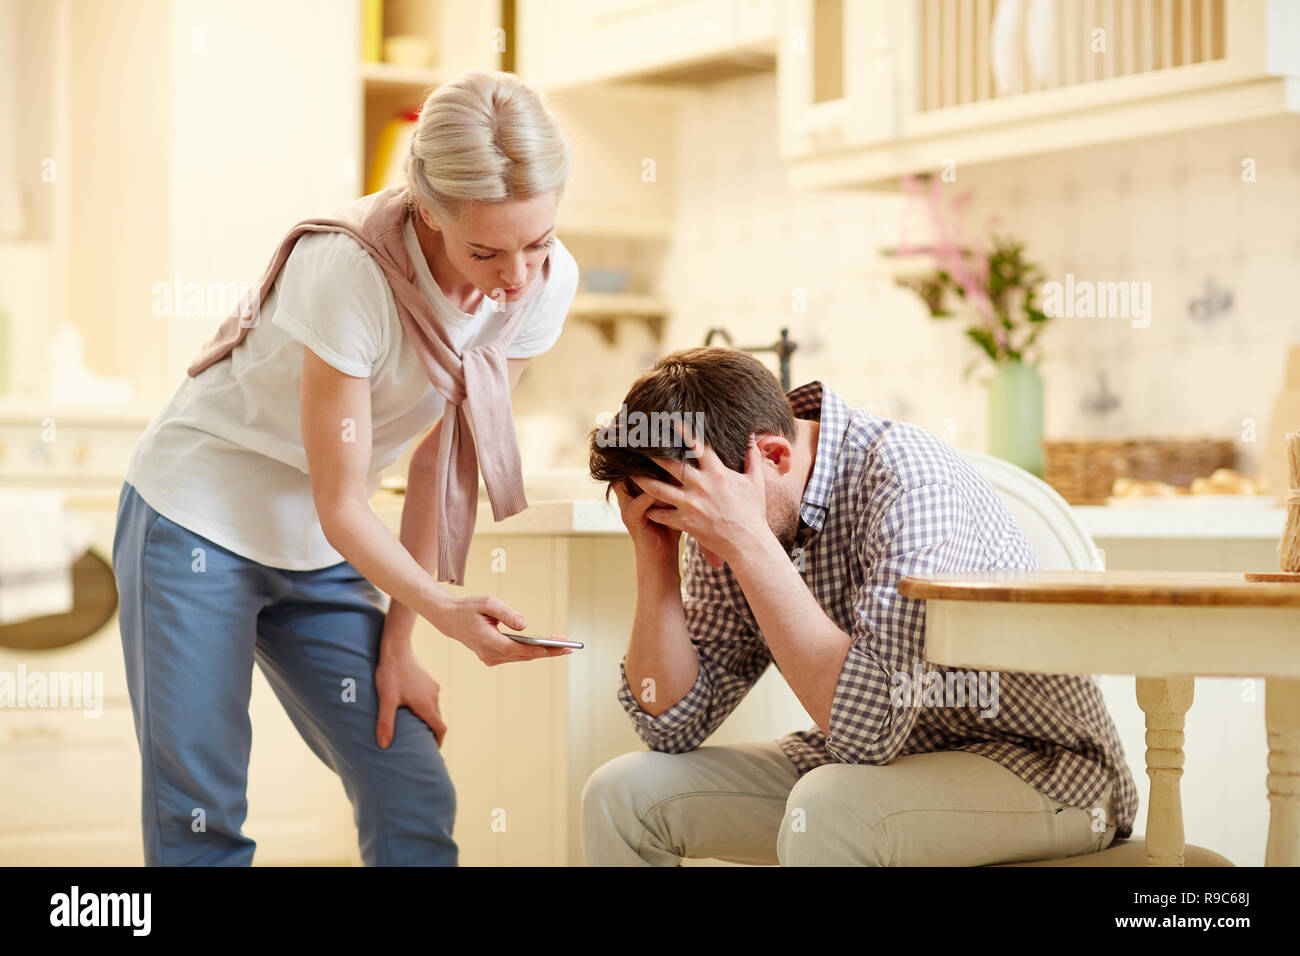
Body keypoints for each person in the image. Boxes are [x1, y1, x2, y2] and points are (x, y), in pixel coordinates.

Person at [112, 69, 579, 866]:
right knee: (202, 817)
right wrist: (439, 605)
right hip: (198, 520)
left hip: (324, 552)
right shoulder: (347, 270)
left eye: (536, 244)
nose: (515, 279)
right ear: (428, 211)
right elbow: (342, 499)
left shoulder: (542, 285)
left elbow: (442, 460)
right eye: (486, 251)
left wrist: (402, 644)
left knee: (412, 788)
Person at [581, 347, 1138, 866]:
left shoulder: (909, 480)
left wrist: (746, 539)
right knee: (620, 796)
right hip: (876, 771)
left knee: (830, 802)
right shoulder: (727, 507)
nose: (708, 553)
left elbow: (868, 731)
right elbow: (671, 723)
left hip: (1043, 769)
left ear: (773, 455)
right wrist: (654, 554)